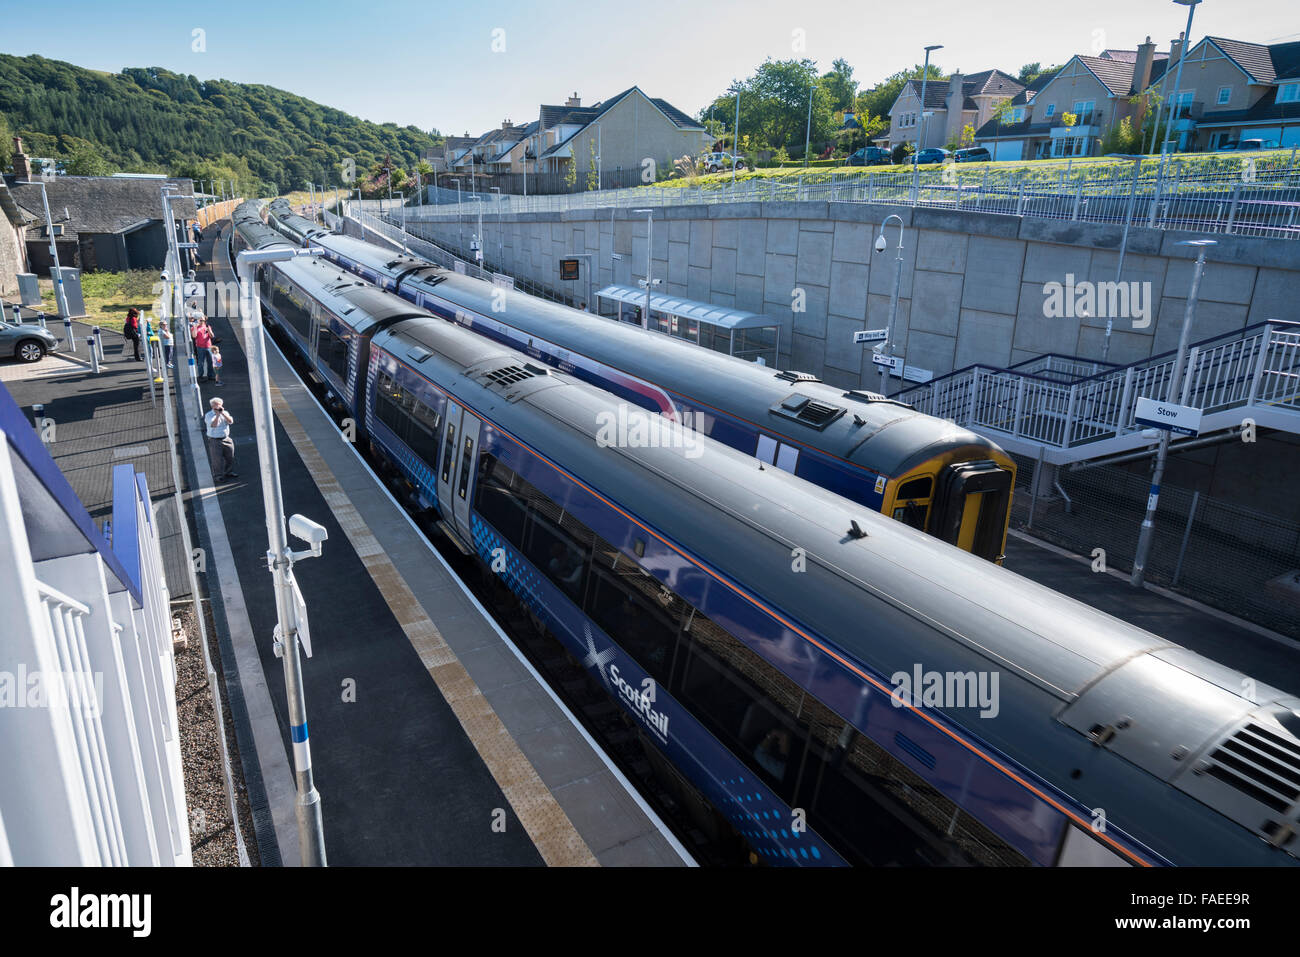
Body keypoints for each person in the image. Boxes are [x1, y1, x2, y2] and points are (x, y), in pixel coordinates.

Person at [204, 397, 237, 481]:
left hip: (226, 438)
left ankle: (228, 472)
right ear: (212, 407)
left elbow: (230, 421)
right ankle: (218, 476)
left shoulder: (225, 412)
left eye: (219, 406)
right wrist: (217, 416)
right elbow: (213, 425)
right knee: (217, 459)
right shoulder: (209, 415)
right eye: (216, 407)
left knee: (230, 456)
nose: (218, 408)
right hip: (214, 440)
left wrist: (223, 414)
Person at [193, 316, 214, 380]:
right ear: (198, 320)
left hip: (208, 346)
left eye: (203, 320)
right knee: (201, 362)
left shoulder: (207, 326)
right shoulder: (195, 327)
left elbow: (212, 336)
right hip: (200, 347)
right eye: (200, 320)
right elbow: (194, 336)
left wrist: (209, 331)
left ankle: (210, 375)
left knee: (210, 361)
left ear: (205, 320)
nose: (202, 322)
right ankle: (201, 376)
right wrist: (195, 327)